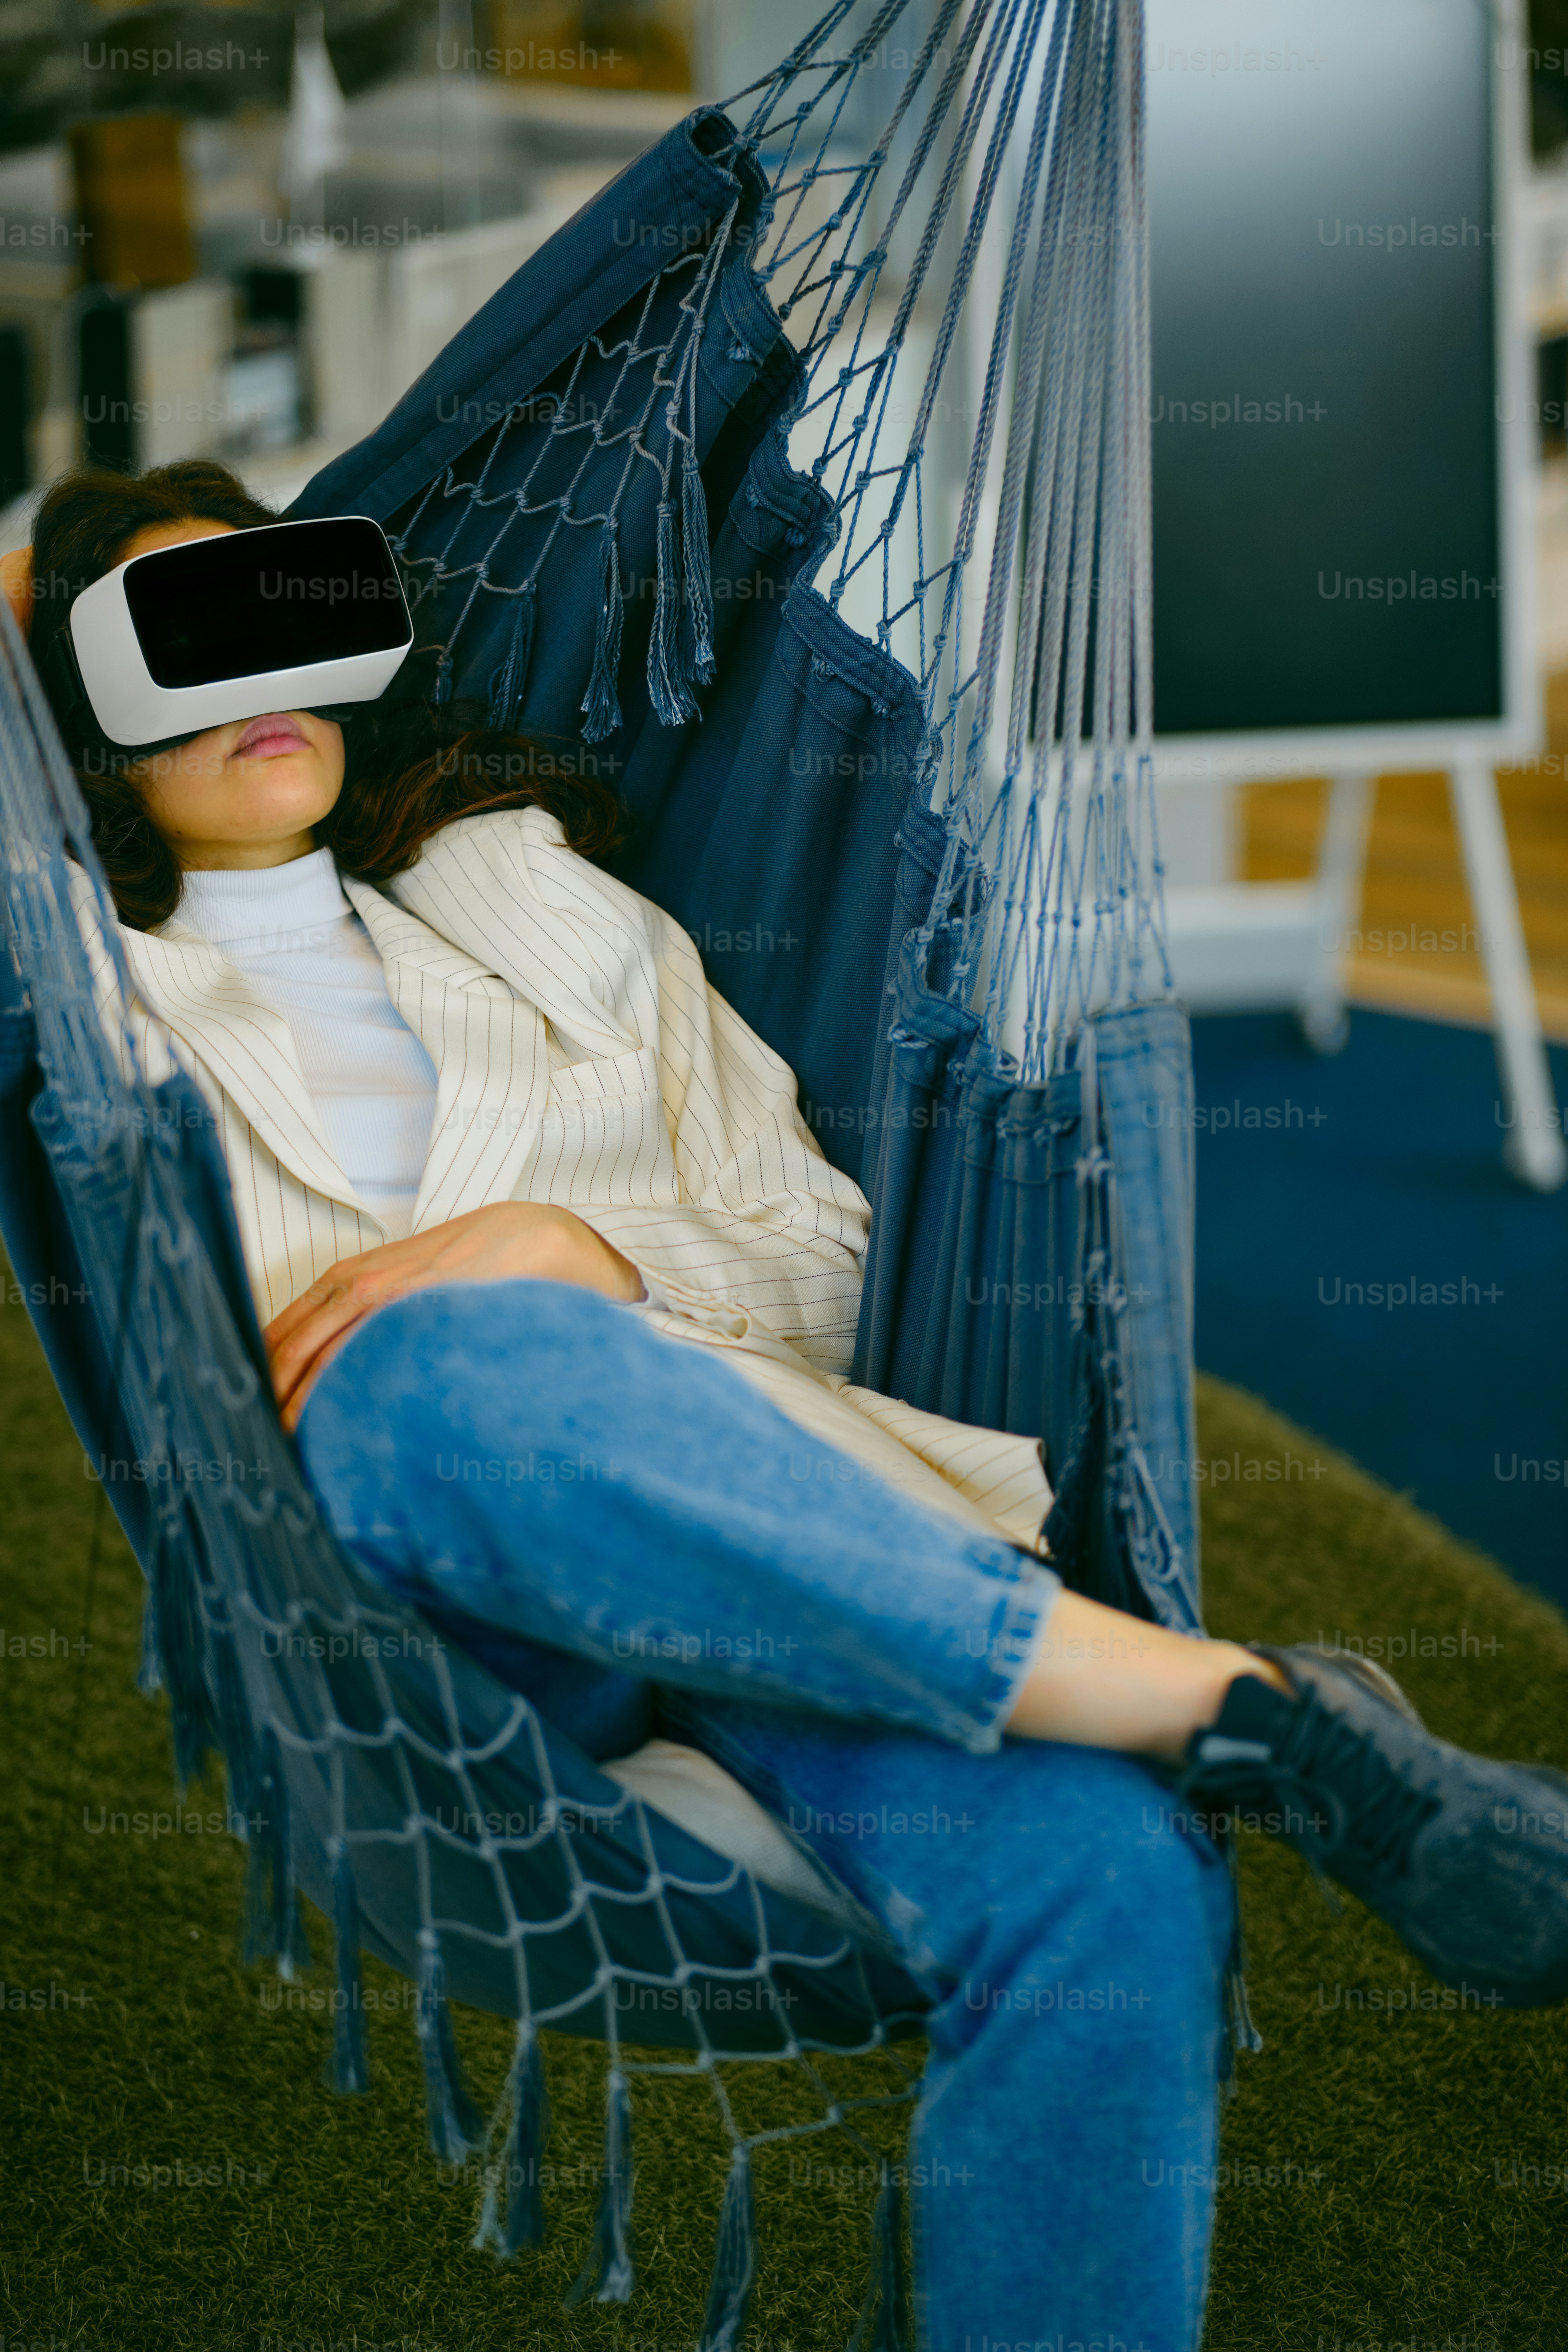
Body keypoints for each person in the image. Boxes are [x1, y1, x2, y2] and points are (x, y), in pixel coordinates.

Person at [8, 461, 1568, 2352]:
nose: (246, 677)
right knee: (437, 1372)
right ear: (85, 724)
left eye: (273, 613)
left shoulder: (553, 907)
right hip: (426, 1625)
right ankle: (1228, 1701)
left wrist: (568, 1244)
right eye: (169, 644)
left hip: (765, 1554)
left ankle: (1218, 1744)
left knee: (1112, 1893)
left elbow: (819, 1253)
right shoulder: (89, 1003)